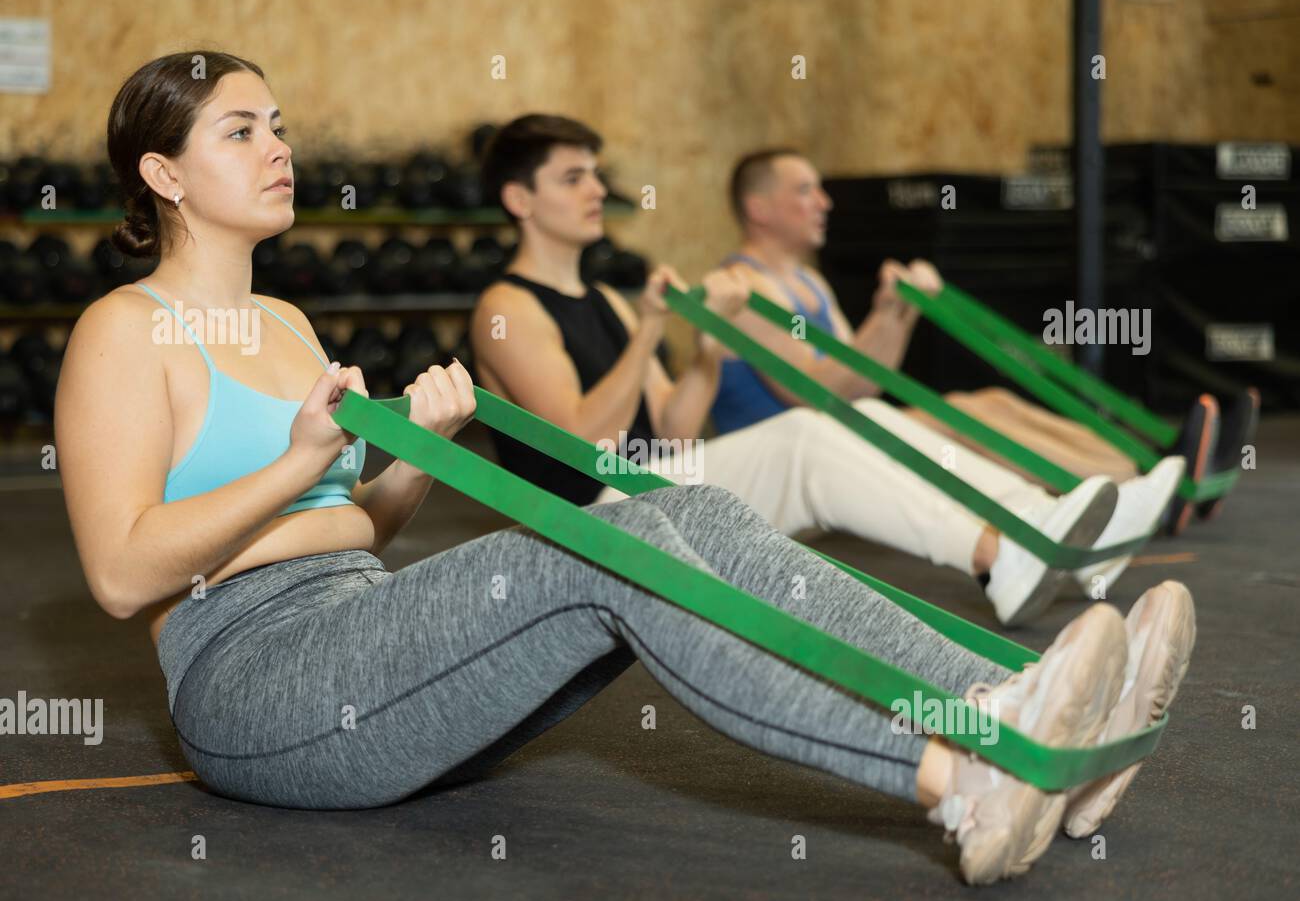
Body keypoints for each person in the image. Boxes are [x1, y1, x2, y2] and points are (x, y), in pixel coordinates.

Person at [56, 52, 1195, 889]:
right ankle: (959, 783)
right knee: (611, 551)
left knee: (684, 503)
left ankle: (1009, 714)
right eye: (241, 132)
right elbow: (119, 573)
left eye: (279, 126)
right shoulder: (122, 330)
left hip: (365, 624)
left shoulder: (292, 322)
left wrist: (412, 465)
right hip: (251, 684)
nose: (278, 150)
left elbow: (356, 528)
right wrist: (304, 466)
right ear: (162, 172)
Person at [470, 114, 1171, 627]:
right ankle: (999, 554)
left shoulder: (606, 304)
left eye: (595, 172)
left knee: (862, 417)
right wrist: (655, 327)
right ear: (519, 200)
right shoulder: (508, 306)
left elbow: (672, 430)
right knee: (807, 433)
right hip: (585, 526)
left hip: (648, 490)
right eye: (573, 177)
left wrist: (707, 347)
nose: (596, 188)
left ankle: (1039, 527)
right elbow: (579, 446)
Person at [719, 148, 1254, 537]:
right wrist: (889, 312)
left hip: (836, 435)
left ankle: (1157, 467)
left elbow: (863, 379)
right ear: (759, 208)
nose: (824, 201)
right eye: (803, 190)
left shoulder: (809, 284)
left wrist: (898, 314)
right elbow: (819, 395)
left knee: (989, 401)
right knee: (959, 416)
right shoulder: (744, 291)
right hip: (790, 471)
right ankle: (1140, 492)